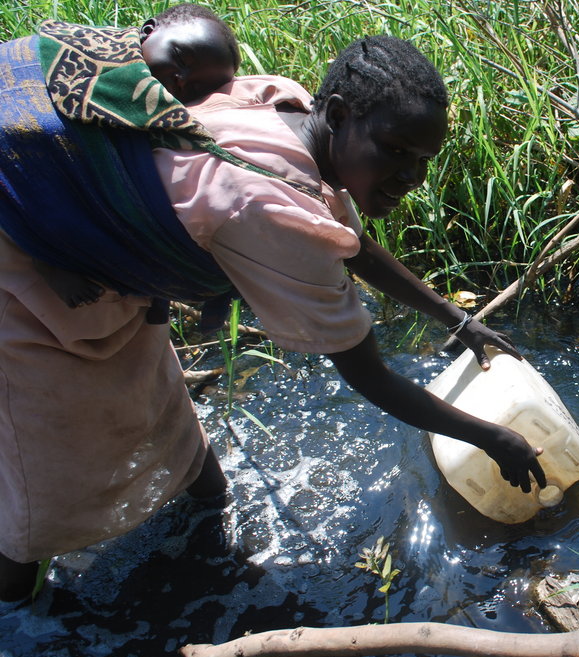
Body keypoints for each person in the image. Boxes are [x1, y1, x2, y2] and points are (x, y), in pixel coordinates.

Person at [0, 32, 547, 602]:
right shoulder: (267, 206)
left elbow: (353, 245)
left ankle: (206, 513)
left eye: (423, 160)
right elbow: (368, 375)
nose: (412, 176)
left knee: (162, 413)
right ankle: (16, 613)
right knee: (41, 489)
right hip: (32, 279)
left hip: (107, 261)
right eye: (395, 150)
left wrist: (455, 318)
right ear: (339, 116)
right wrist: (492, 438)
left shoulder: (287, 108)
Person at [34, 3, 242, 309]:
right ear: (147, 32)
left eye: (197, 86)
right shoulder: (92, 55)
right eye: (180, 58)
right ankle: (43, 256)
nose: (181, 78)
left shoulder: (155, 114)